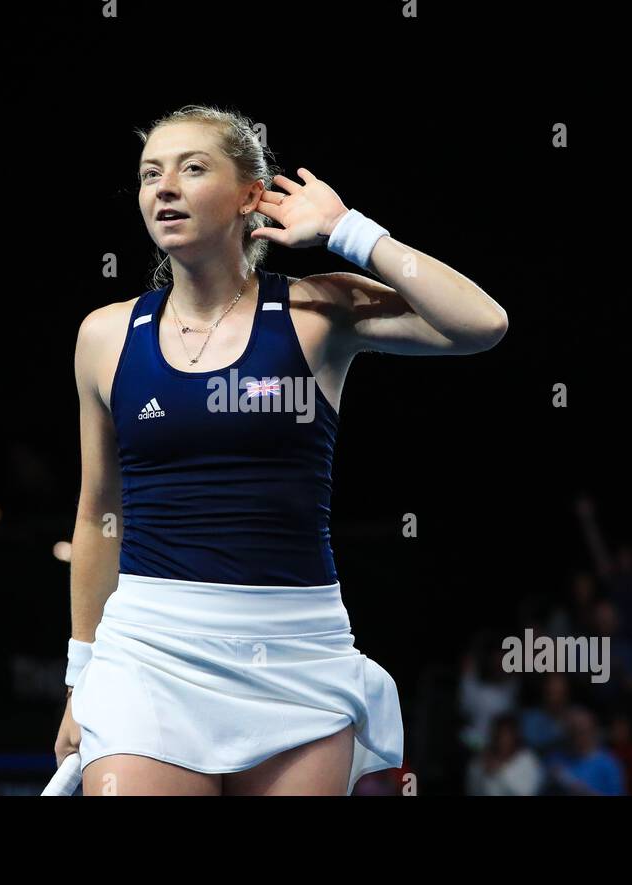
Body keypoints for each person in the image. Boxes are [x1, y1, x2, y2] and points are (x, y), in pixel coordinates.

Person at [53, 104, 508, 796]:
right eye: (150, 174)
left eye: (192, 167)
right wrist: (80, 675)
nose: (163, 187)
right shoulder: (106, 335)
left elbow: (481, 323)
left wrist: (349, 231)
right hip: (148, 653)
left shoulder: (316, 310)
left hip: (297, 652)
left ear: (250, 197)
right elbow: (97, 516)